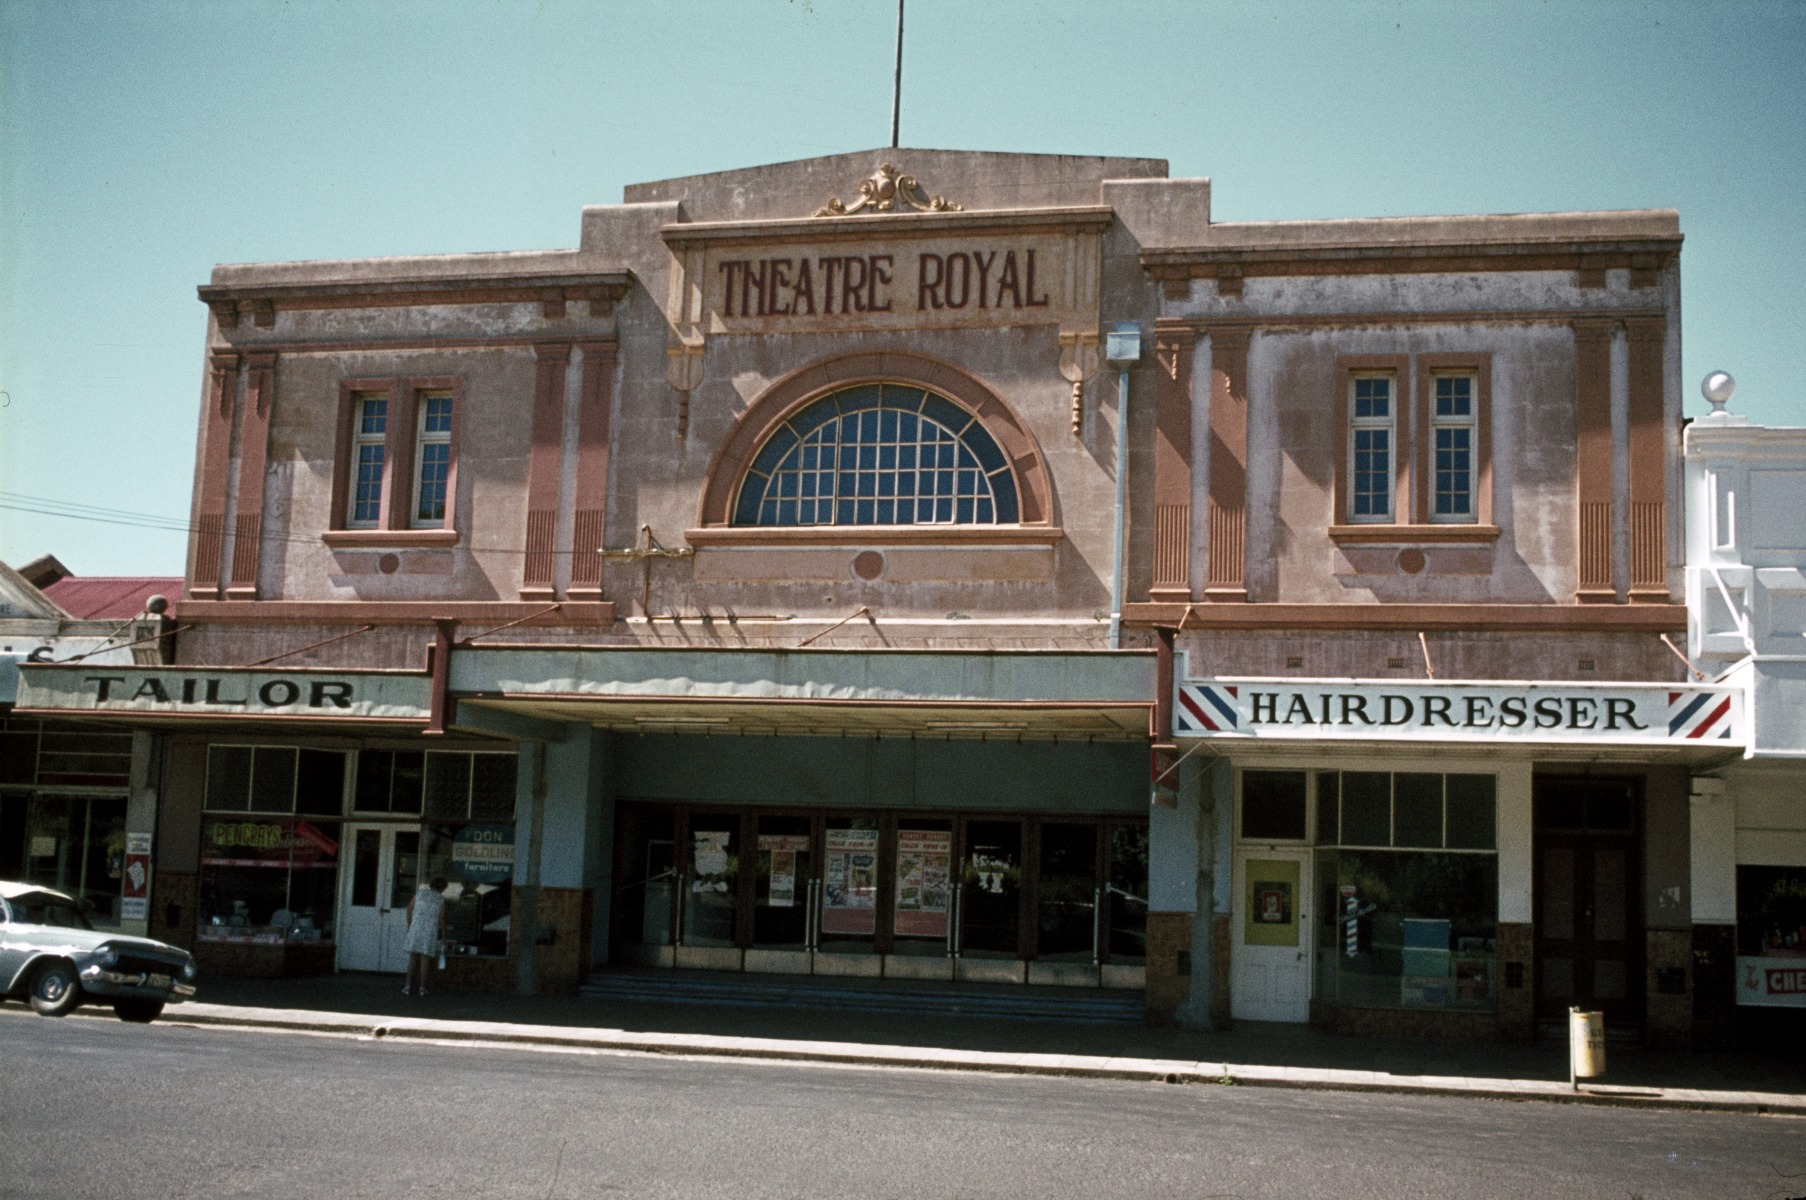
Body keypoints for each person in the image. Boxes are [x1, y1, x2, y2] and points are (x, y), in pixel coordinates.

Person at [402, 876, 447, 996]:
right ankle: (422, 987)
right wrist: (443, 936)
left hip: (416, 929)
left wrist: (410, 924)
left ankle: (407, 986)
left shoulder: (420, 893)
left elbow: (409, 908)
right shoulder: (440, 899)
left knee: (412, 959)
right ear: (442, 888)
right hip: (430, 931)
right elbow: (441, 919)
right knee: (424, 960)